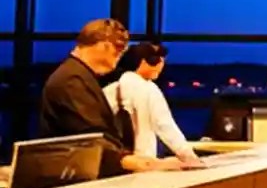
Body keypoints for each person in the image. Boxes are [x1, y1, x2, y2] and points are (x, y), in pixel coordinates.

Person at [37, 18, 178, 176]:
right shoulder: (72, 80)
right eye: (119, 49)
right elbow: (90, 138)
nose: (120, 56)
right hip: (71, 178)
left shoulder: (79, 76)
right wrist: (145, 163)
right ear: (104, 44)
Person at [104, 42, 202, 167]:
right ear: (144, 62)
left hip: (115, 160)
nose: (161, 67)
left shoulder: (111, 89)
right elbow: (165, 126)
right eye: (159, 62)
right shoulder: (149, 89)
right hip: (143, 160)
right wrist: (188, 156)